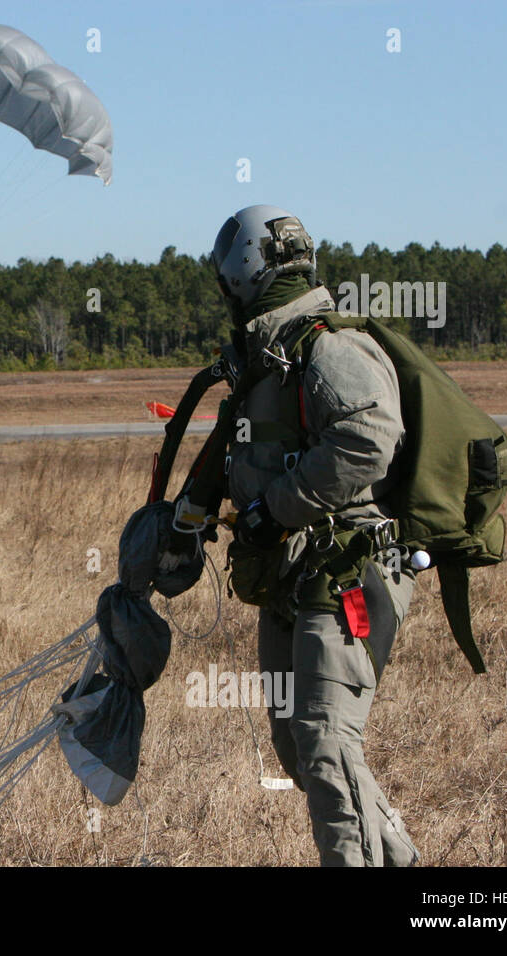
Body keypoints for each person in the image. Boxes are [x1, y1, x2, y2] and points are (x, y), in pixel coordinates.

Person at [212, 205, 420, 866]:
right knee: (303, 749)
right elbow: (248, 458)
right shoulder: (264, 361)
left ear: (244, 267)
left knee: (328, 741)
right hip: (290, 576)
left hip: (346, 571)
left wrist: (276, 509)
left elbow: (369, 439)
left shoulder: (328, 346)